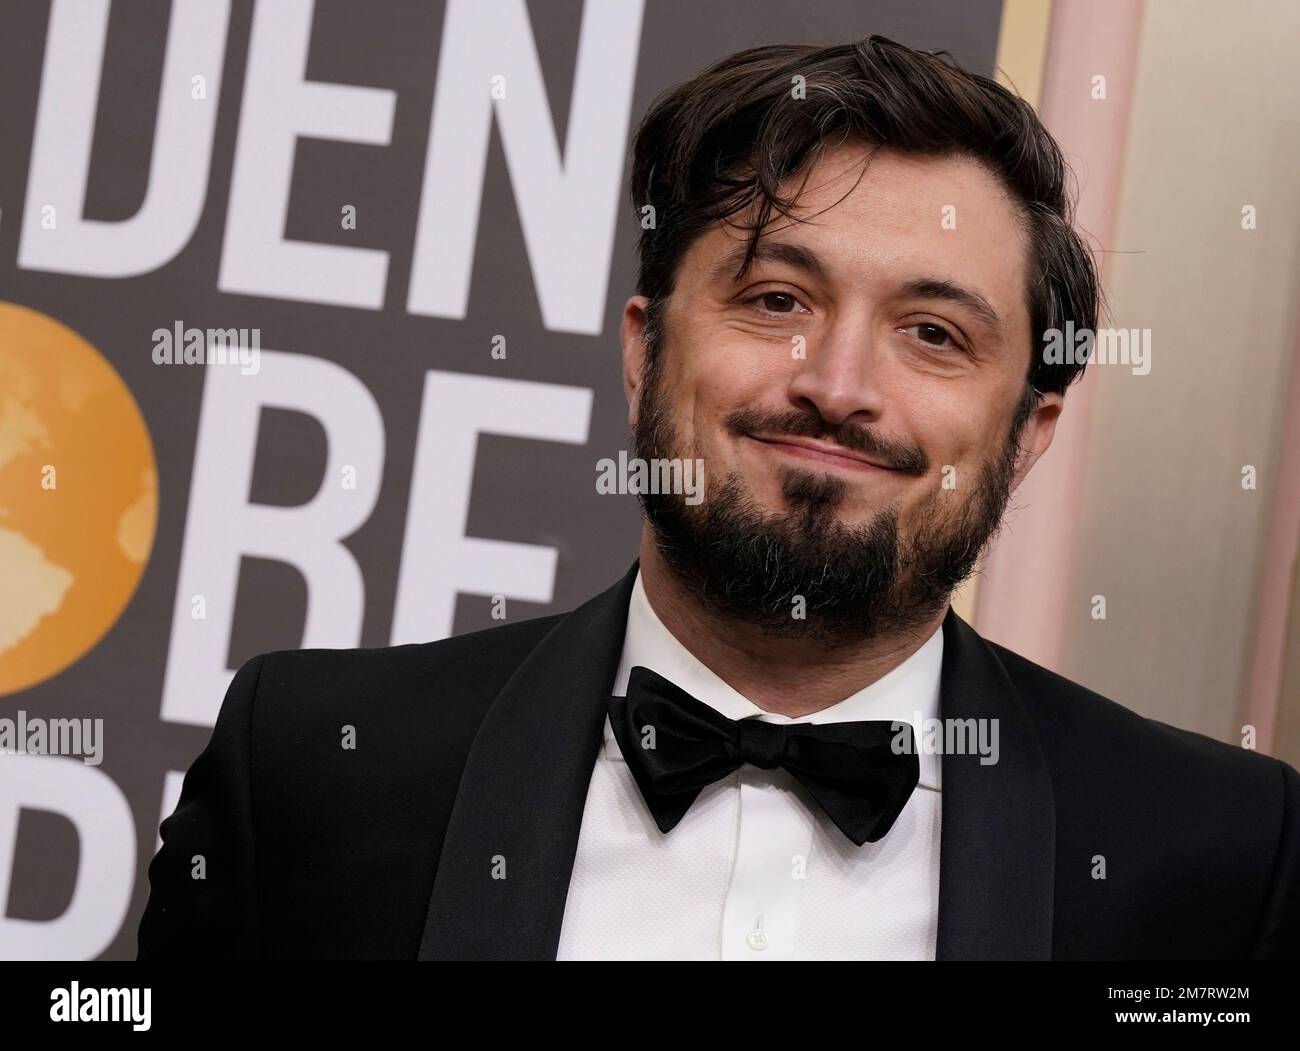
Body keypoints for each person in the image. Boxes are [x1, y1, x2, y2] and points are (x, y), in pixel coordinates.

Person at [137, 35, 1299, 961]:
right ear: (645, 351)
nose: (838, 388)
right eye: (776, 299)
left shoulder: (1216, 855)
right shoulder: (313, 764)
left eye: (933, 333)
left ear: (1027, 432)